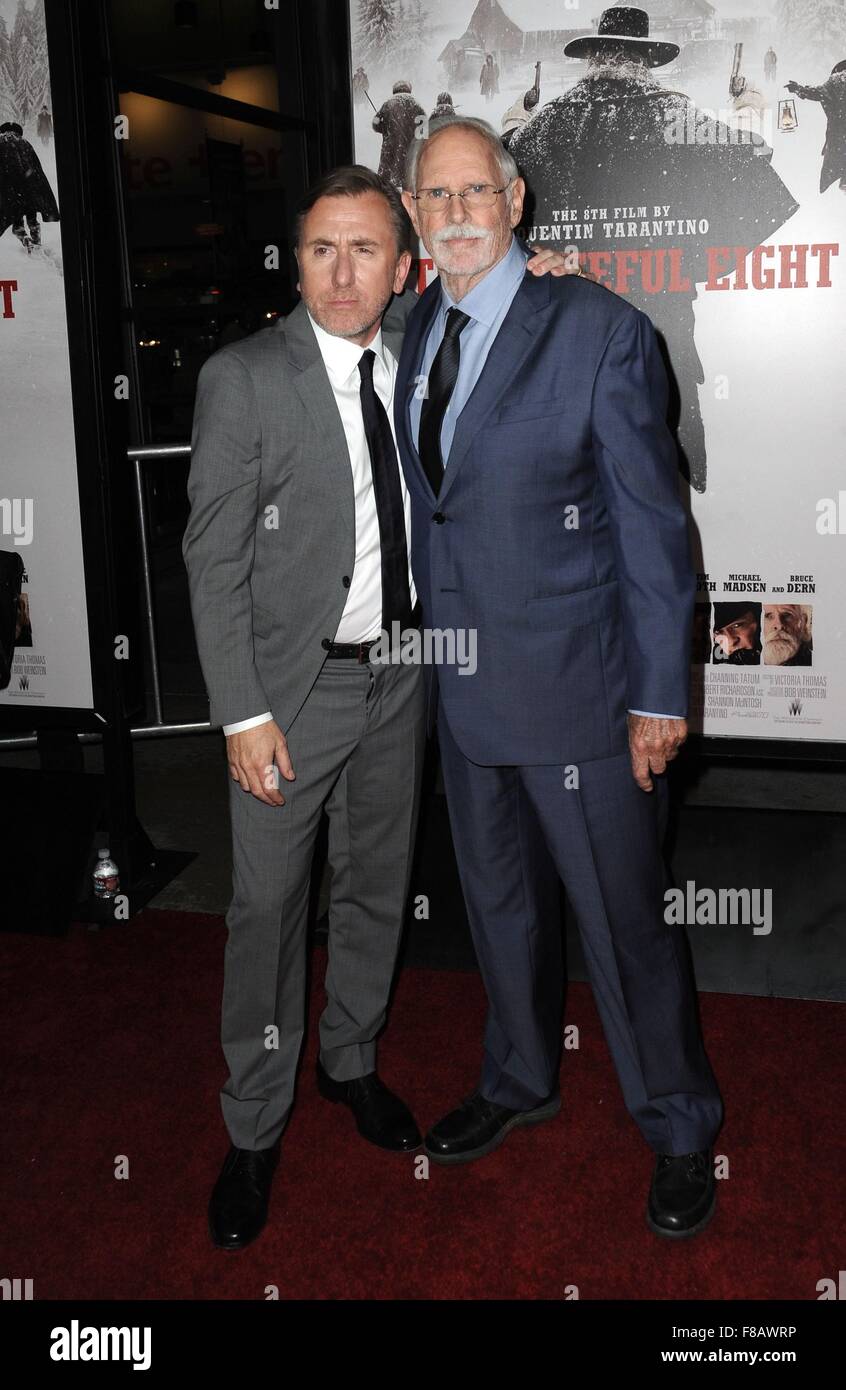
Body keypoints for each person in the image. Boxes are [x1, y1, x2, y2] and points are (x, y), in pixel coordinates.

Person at [182, 163, 574, 1251]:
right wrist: (239, 713)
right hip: (286, 691)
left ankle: (348, 1060)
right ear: (296, 259)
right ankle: (254, 1123)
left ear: (402, 268)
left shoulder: (421, 363)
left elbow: (498, 301)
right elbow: (210, 561)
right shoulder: (244, 377)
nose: (343, 273)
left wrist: (549, 275)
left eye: (366, 251)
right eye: (321, 249)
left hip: (402, 675)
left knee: (375, 887)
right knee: (266, 913)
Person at [398, 115, 723, 1239]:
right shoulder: (412, 328)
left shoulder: (602, 330)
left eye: (473, 191)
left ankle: (680, 1124)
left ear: (517, 198)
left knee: (626, 922)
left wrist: (659, 693)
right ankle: (519, 1077)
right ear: (414, 216)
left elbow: (652, 530)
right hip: (464, 691)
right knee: (498, 909)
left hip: (584, 697)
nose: (455, 213)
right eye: (433, 196)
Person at [509, 5, 798, 495]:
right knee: (661, 481)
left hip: (568, 330)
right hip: (660, 324)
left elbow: (497, 185)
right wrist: (749, 112)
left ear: (595, 57)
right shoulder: (674, 115)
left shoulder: (546, 127)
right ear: (642, 59)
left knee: (570, 485)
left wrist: (519, 118)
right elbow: (754, 178)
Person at [786, 62, 846, 193]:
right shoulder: (836, 83)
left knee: (838, 162)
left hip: (839, 135)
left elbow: (818, 93)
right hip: (839, 134)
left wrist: (798, 89)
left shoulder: (834, 83)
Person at [0, 121, 59, 245]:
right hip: (29, 183)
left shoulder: (1, 142)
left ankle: (21, 233)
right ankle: (35, 236)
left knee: (15, 210)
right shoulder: (25, 143)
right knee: (30, 208)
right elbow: (36, 167)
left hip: (10, 187)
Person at [372, 80, 425, 188]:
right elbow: (423, 124)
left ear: (394, 90)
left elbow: (375, 123)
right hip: (410, 146)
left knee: (388, 181)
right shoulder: (416, 103)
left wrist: (385, 129)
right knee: (409, 177)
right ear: (409, 89)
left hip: (390, 147)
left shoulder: (388, 103)